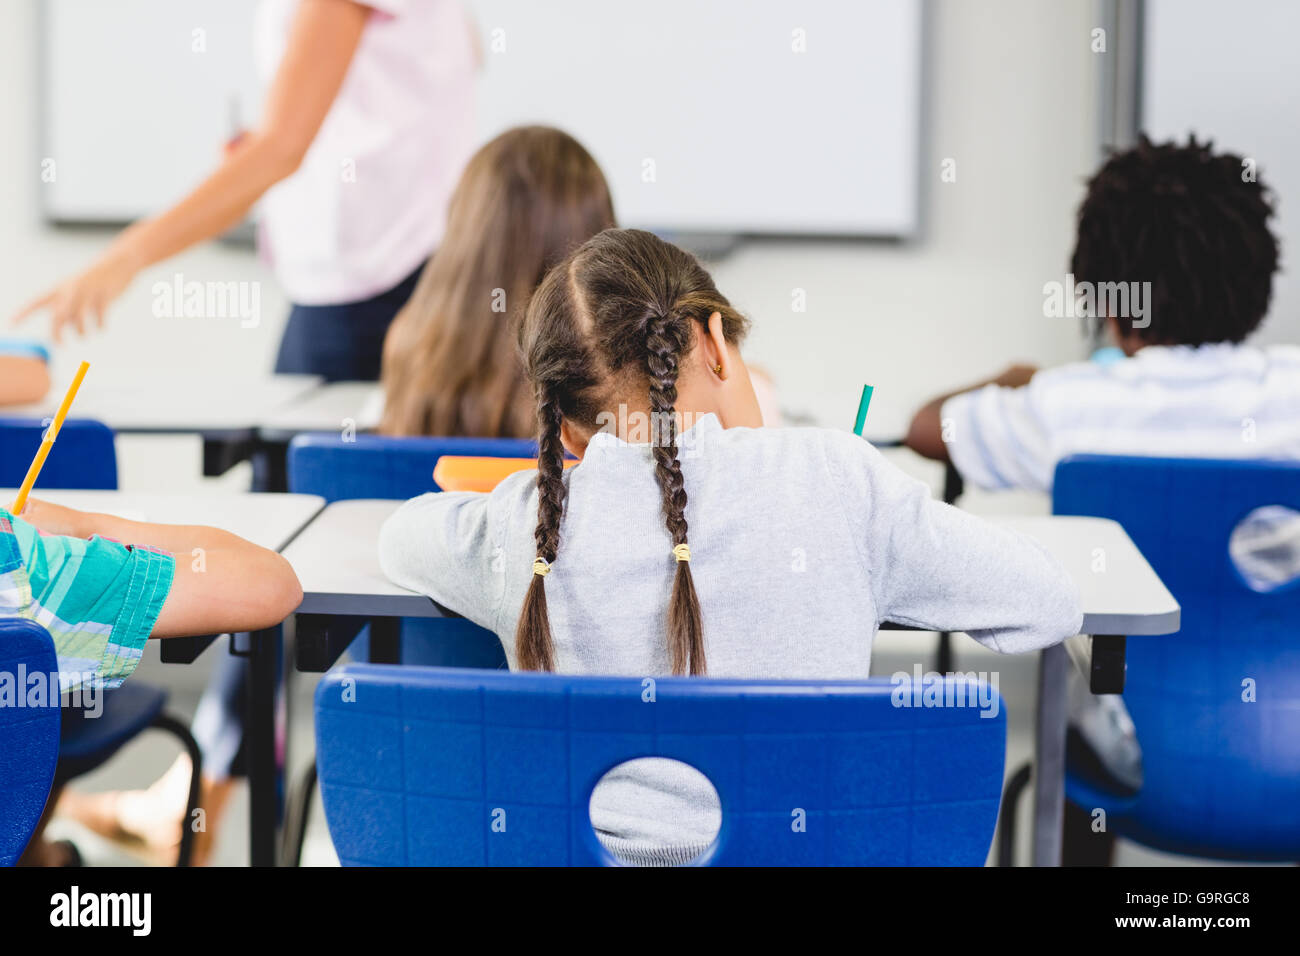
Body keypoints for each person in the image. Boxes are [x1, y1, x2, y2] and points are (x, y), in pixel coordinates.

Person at [377, 228, 1084, 865]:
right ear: (714, 341)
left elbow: (400, 536)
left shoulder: (525, 526)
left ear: (562, 430)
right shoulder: (837, 479)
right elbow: (1047, 601)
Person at [59, 124, 617, 864]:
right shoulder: (609, 414)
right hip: (578, 745)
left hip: (402, 734)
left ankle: (192, 810)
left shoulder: (409, 350)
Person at [904, 135, 1299, 862]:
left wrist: (1015, 376)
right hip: (1289, 751)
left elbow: (927, 427)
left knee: (1084, 689)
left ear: (1101, 290)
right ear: (1258, 276)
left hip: (1139, 764)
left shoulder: (1066, 404)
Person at [13, 0, 478, 384]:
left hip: (375, 279)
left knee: (300, 473)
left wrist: (125, 256)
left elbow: (282, 149)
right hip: (382, 272)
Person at [4, 498, 301, 865]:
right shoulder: (27, 566)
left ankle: (45, 846)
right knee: (51, 692)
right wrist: (84, 526)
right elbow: (271, 581)